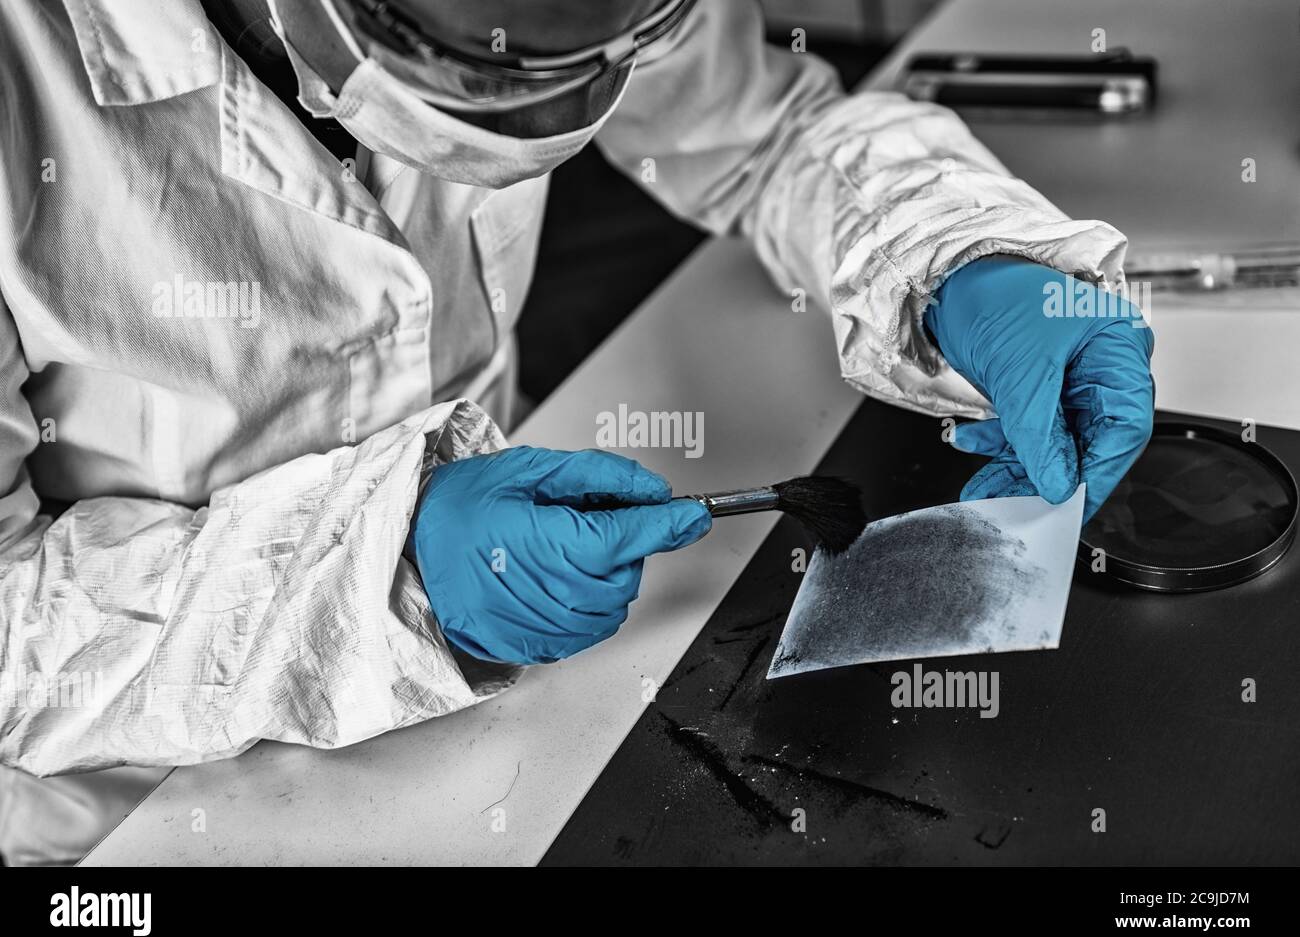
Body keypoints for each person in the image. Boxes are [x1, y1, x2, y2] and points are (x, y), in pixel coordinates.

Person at [0, 0, 1153, 864]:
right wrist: (377, 574)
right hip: (141, 815)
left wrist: (957, 257)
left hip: (510, 731)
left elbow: (761, 134)